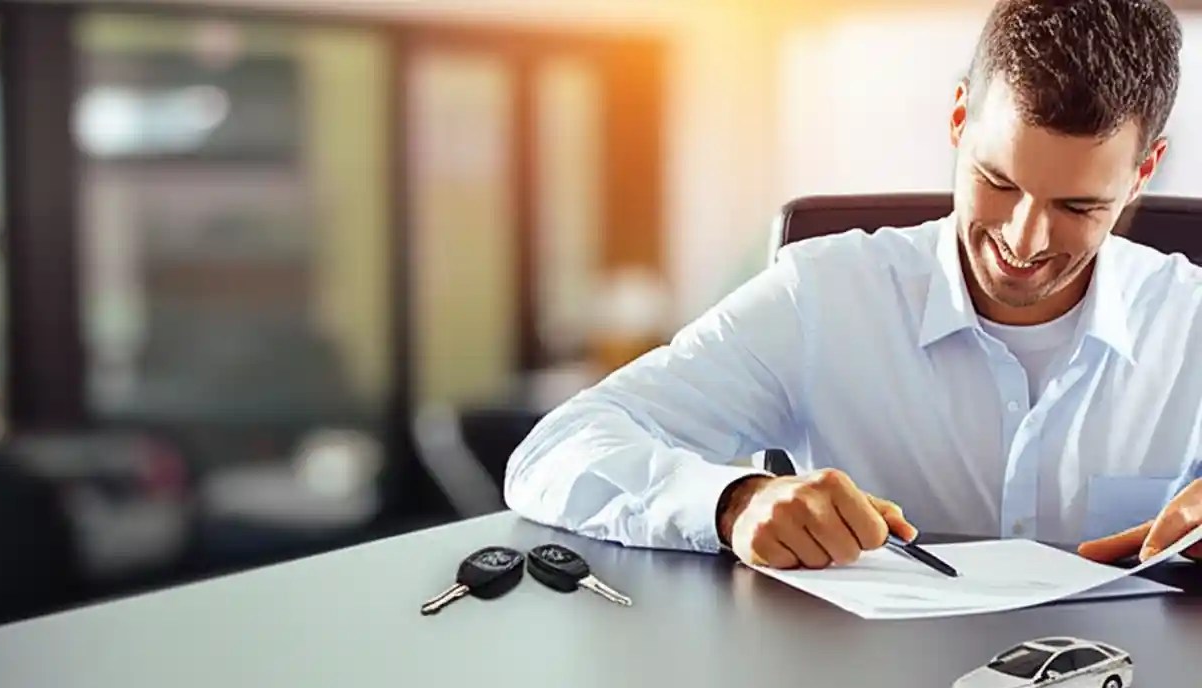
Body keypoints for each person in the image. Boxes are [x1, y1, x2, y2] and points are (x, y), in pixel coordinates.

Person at [504, 0, 1202, 571]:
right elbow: (557, 449)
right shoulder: (823, 297)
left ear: (1143, 173)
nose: (1025, 240)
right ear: (960, 119)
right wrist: (731, 500)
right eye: (998, 181)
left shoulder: (1192, 317)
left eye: (1078, 208)